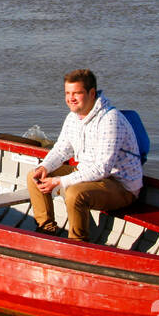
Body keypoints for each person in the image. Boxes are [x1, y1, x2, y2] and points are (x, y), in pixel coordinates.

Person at [26, 69, 143, 241]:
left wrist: (60, 181)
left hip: (121, 186)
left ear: (91, 93)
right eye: (67, 93)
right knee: (33, 176)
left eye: (77, 93)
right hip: (90, 175)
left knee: (75, 193)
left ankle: (78, 243)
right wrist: (44, 167)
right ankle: (46, 230)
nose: (70, 98)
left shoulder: (110, 119)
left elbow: (101, 169)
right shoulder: (74, 117)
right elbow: (61, 149)